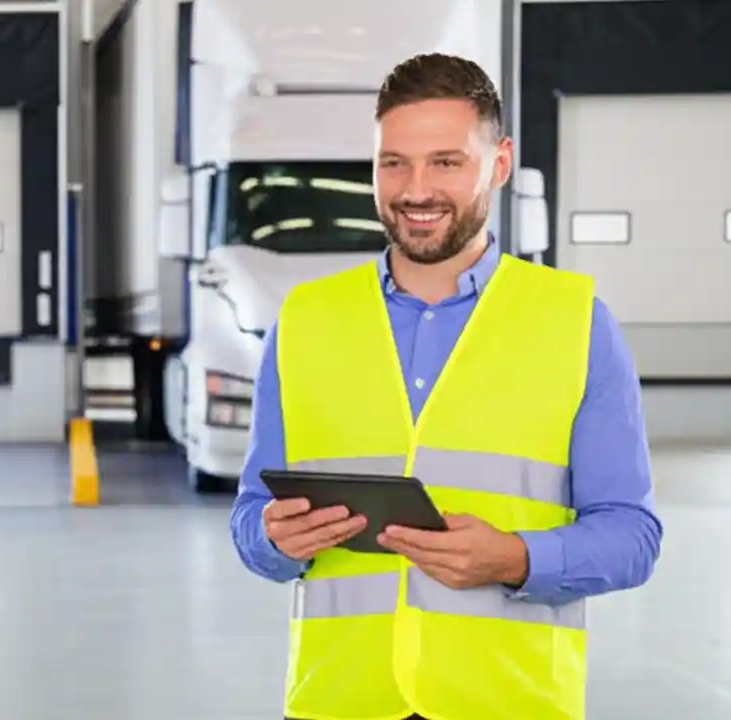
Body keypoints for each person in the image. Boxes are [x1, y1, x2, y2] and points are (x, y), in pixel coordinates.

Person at [229, 52, 663, 720]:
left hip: (510, 703)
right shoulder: (307, 320)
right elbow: (252, 519)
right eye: (393, 162)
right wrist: (272, 539)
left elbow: (633, 535)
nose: (415, 189)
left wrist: (518, 559)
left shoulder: (576, 320)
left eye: (446, 161)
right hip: (339, 701)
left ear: (499, 162)